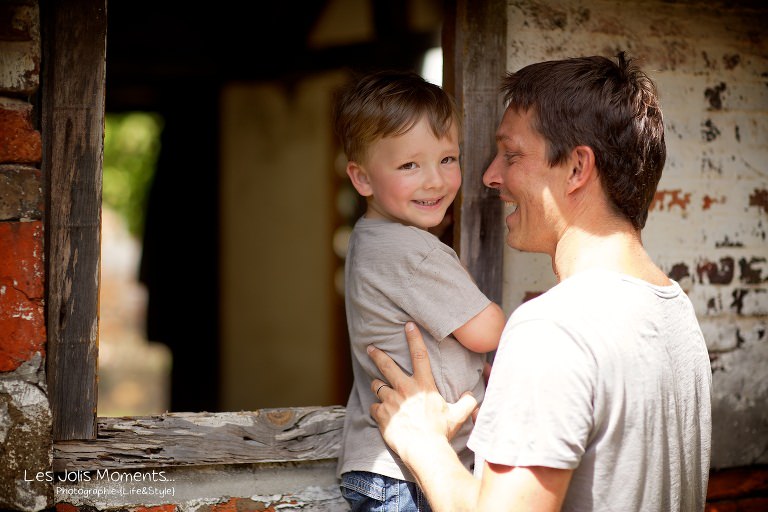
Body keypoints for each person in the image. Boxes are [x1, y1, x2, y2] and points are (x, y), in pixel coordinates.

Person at [366, 53, 713, 511]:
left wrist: (422, 442)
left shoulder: (552, 332)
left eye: (511, 155)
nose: (490, 176)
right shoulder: (676, 310)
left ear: (576, 169)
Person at [333, 70, 506, 511]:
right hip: (408, 473)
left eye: (447, 159)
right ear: (362, 179)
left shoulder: (370, 239)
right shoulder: (413, 252)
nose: (435, 180)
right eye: (409, 165)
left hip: (385, 467)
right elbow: (488, 331)